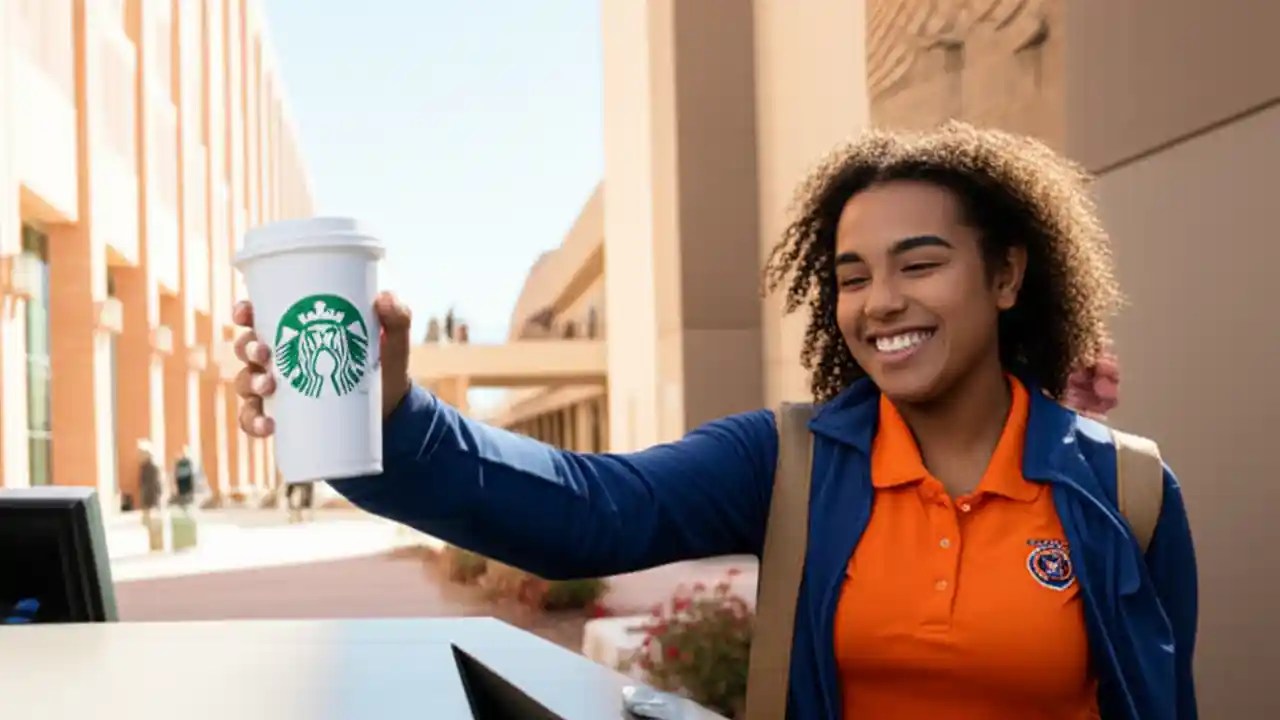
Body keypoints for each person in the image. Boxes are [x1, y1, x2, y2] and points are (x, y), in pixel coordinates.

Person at [231, 122, 1195, 719]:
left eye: (920, 262)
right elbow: (582, 512)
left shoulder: (1130, 494)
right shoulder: (789, 464)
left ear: (1008, 275)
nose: (880, 301)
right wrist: (383, 412)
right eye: (852, 276)